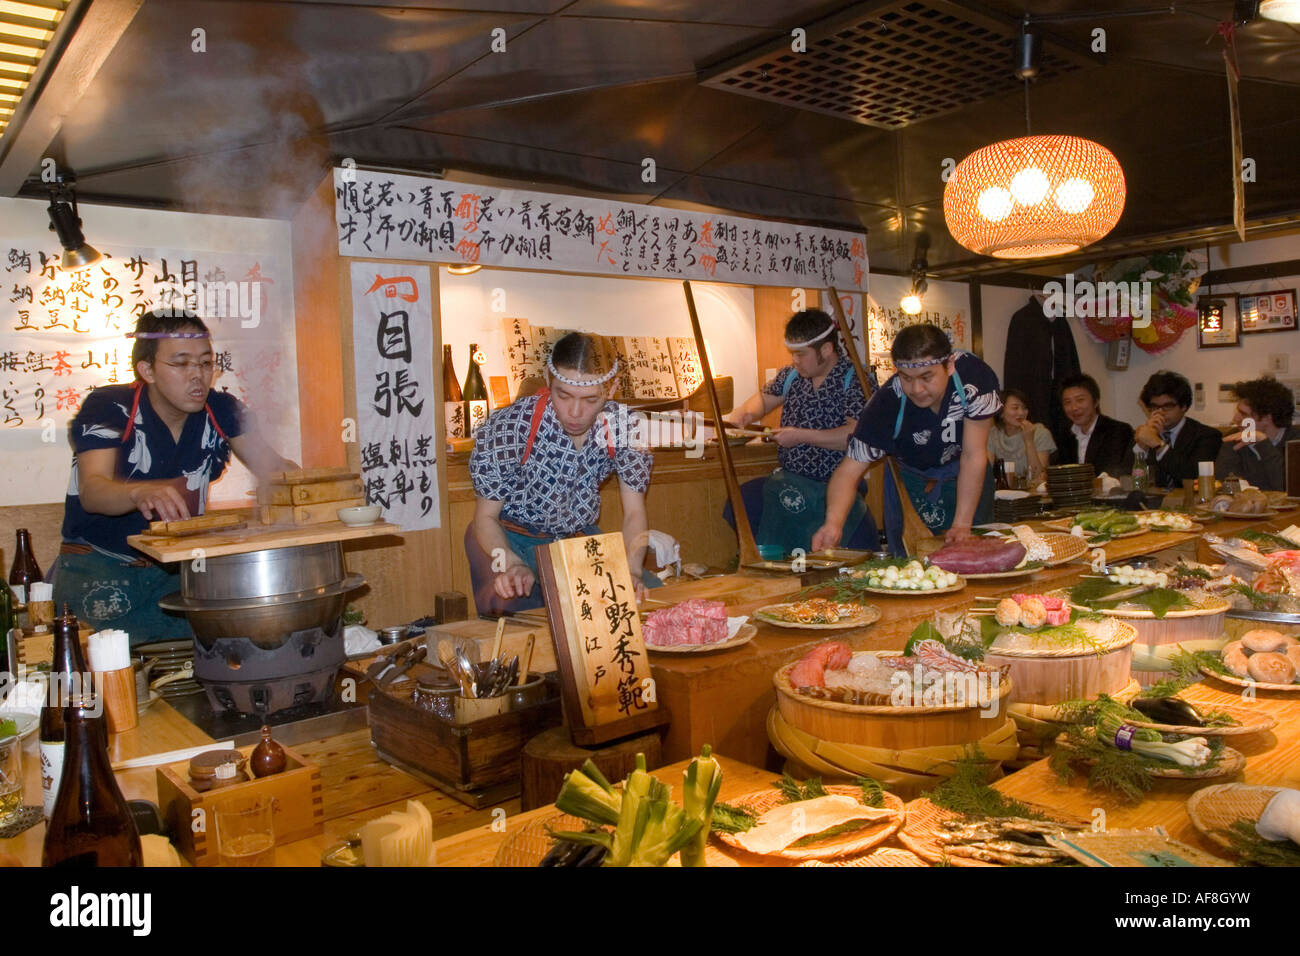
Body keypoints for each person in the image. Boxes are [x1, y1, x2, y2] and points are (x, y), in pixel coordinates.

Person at [51, 309, 298, 643]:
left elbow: (274, 470)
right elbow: (93, 491)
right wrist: (138, 492)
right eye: (181, 364)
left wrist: (300, 484)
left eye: (206, 363)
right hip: (100, 569)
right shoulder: (110, 406)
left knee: (204, 658)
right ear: (147, 370)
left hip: (176, 569)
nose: (198, 376)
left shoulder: (221, 409)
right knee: (107, 670)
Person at [466, 332, 658, 615]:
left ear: (612, 388)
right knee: (519, 609)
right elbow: (485, 518)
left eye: (591, 399)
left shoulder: (624, 426)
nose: (575, 412)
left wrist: (631, 570)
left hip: (575, 540)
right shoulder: (511, 425)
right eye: (563, 395)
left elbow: (634, 513)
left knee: (644, 601)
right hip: (507, 537)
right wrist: (510, 563)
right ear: (547, 378)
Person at [812, 323, 1000, 553]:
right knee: (908, 561)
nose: (917, 389)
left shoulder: (975, 379)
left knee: (974, 556)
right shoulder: (886, 404)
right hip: (911, 480)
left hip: (966, 473)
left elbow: (973, 454)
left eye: (926, 377)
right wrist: (832, 524)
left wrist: (962, 524)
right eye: (906, 378)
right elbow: (848, 471)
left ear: (949, 365)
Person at [722, 309, 877, 554]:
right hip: (790, 481)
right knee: (740, 504)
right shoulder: (792, 376)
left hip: (837, 487)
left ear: (826, 349)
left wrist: (801, 436)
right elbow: (763, 400)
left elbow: (854, 436)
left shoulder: (856, 379)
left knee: (858, 546)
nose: (795, 360)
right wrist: (745, 414)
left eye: (801, 354)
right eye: (792, 353)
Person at [1134, 370, 1223, 488]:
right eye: (1154, 407)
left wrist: (1158, 445)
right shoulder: (1144, 433)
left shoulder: (1207, 436)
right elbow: (1123, 476)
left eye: (1168, 406)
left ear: (1184, 406)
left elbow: (1194, 477)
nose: (1160, 412)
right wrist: (1142, 446)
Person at [1215, 377, 1300, 491]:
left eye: (1243, 414)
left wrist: (1263, 443)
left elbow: (1290, 488)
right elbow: (1225, 484)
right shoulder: (1234, 438)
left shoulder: (1295, 442)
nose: (1235, 419)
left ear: (1267, 418)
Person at [1055, 373, 1135, 476]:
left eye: (1080, 400)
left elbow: (1115, 471)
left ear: (1096, 401)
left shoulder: (1117, 431)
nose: (1074, 407)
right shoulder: (1065, 436)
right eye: (1067, 402)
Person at [987, 388, 1056, 485]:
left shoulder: (1040, 433)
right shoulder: (994, 434)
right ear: (1001, 412)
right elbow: (986, 471)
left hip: (1034, 492)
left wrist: (1029, 441)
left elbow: (1038, 476)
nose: (1021, 413)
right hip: (1005, 492)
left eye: (1024, 408)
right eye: (1015, 408)